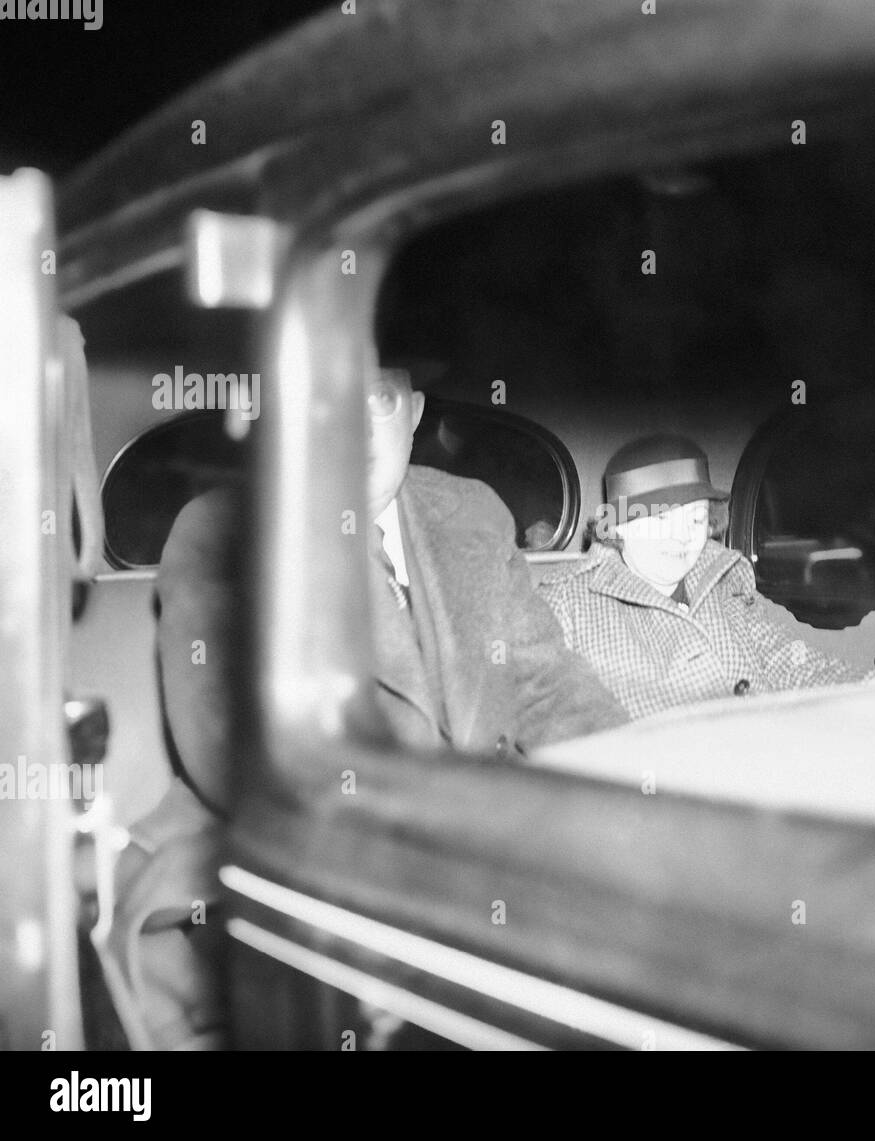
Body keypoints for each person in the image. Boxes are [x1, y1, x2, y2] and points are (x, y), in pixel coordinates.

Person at [111, 367, 628, 1048]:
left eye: (376, 399)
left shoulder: (471, 511)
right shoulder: (223, 530)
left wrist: (636, 799)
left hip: (482, 856)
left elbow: (547, 686)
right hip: (303, 855)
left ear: (411, 410)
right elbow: (228, 743)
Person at [539, 434, 875, 720]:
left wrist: (873, 687)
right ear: (618, 527)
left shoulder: (725, 579)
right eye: (660, 520)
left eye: (694, 518)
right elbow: (555, 726)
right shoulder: (567, 606)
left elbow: (789, 662)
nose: (682, 536)